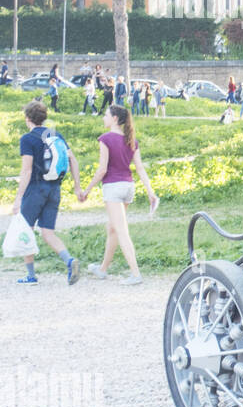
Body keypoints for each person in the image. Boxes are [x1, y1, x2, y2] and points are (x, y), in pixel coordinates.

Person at [79, 104, 160, 285]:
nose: (103, 117)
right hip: (128, 187)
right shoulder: (132, 140)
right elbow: (139, 168)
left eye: (106, 115)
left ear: (114, 118)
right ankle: (102, 270)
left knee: (121, 230)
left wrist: (87, 190)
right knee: (113, 228)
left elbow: (102, 170)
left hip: (113, 188)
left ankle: (135, 274)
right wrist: (150, 191)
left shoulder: (105, 139)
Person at [11, 100, 83, 285]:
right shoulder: (55, 135)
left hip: (35, 189)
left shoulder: (27, 139)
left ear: (27, 118)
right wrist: (77, 186)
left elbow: (27, 170)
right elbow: (73, 160)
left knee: (26, 230)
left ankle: (31, 275)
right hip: (54, 189)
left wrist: (18, 198)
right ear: (44, 118)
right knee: (48, 232)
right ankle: (69, 261)